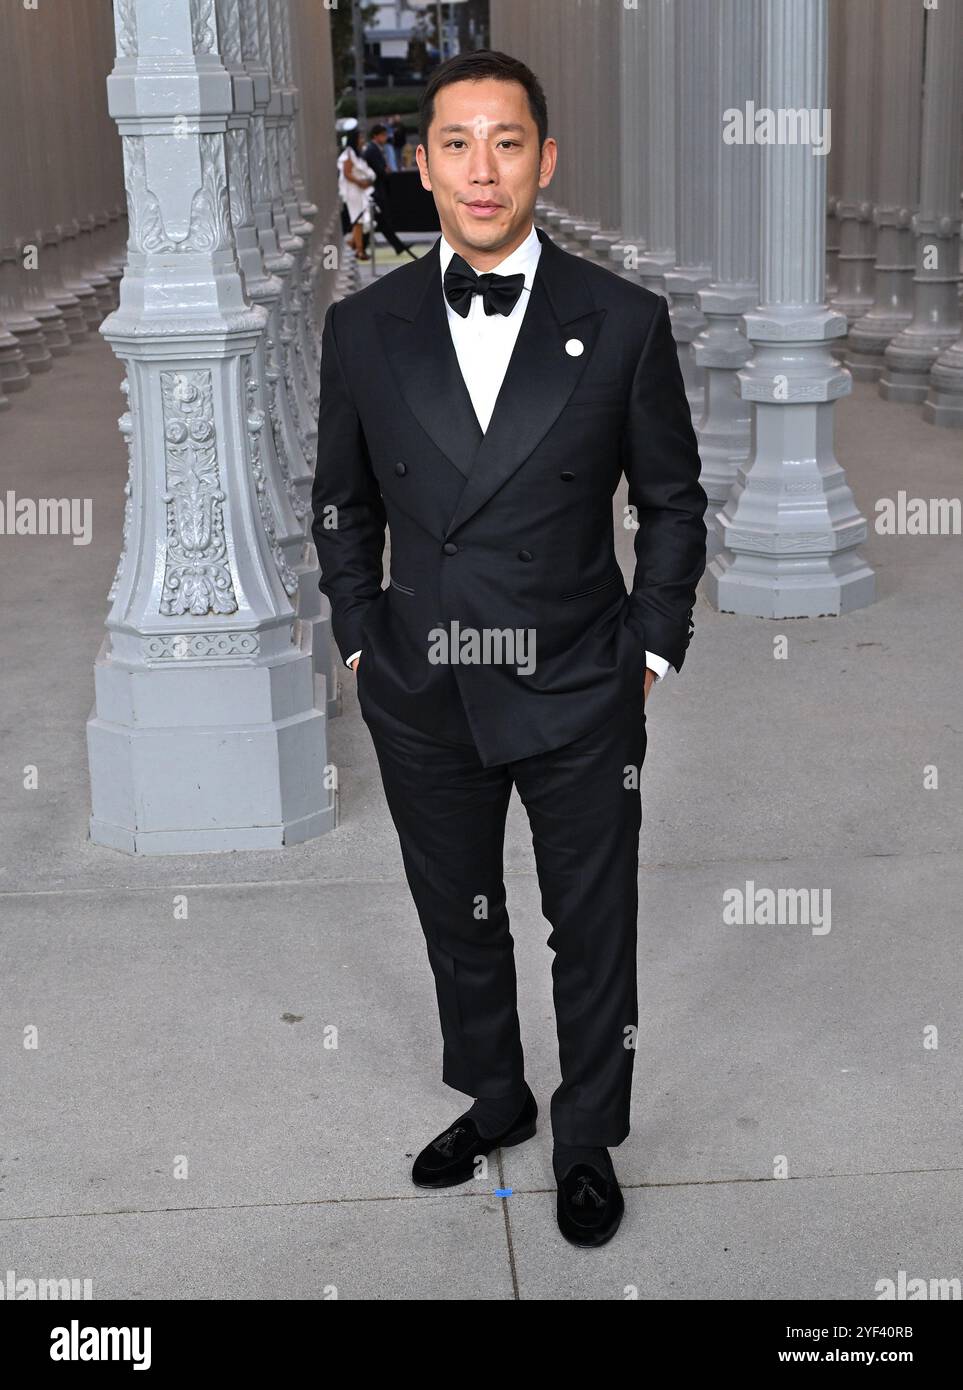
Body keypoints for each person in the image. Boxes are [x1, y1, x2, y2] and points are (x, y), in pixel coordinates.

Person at [312, 51, 707, 1247]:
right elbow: (340, 500)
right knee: (458, 915)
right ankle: (495, 1097)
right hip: (422, 681)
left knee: (593, 925)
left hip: (581, 680)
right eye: (455, 142)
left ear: (546, 159)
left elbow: (675, 500)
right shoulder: (363, 326)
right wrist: (355, 636)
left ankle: (587, 1134)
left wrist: (653, 644)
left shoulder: (626, 319)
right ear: (419, 162)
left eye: (506, 141)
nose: (481, 169)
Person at [362, 123, 419, 261]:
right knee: (378, 222)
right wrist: (385, 169)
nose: (385, 137)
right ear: (376, 136)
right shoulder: (372, 150)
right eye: (383, 135)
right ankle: (358, 247)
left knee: (379, 223)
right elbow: (380, 170)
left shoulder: (376, 149)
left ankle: (362, 247)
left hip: (378, 190)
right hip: (375, 191)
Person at [337, 123, 376, 261]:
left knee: (359, 220)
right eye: (360, 138)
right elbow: (347, 173)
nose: (362, 140)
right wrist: (361, 183)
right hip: (353, 191)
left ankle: (354, 245)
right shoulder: (349, 154)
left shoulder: (355, 153)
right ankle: (358, 249)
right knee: (357, 220)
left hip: (358, 190)